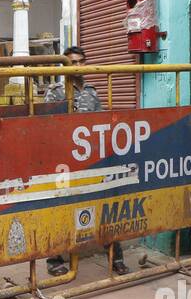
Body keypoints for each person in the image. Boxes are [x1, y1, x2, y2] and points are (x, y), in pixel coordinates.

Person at [43, 46, 129, 277]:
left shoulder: (92, 92)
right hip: (63, 161)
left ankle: (115, 256)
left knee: (105, 204)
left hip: (91, 161)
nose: (78, 66)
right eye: (73, 62)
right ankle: (54, 259)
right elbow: (46, 126)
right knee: (60, 207)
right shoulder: (55, 92)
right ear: (65, 66)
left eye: (82, 62)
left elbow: (100, 122)